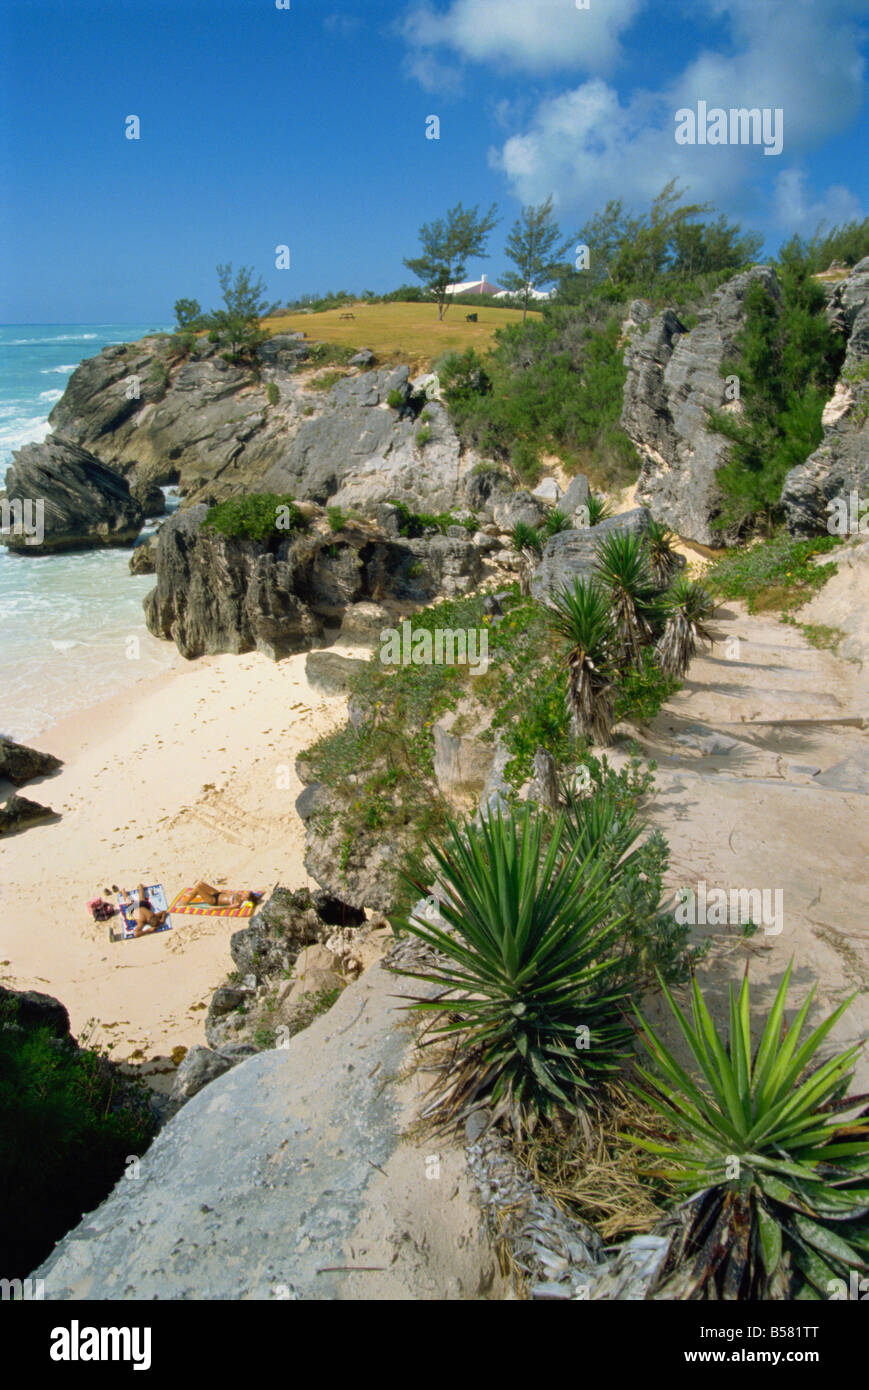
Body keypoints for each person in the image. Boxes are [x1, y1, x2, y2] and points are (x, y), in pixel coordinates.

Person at [186, 882, 262, 909]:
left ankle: (185, 902)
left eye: (246, 895)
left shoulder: (238, 903)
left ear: (246, 899)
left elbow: (227, 907)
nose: (244, 893)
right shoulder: (239, 894)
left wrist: (215, 909)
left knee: (197, 889)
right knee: (200, 884)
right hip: (217, 893)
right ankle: (192, 894)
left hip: (214, 900)